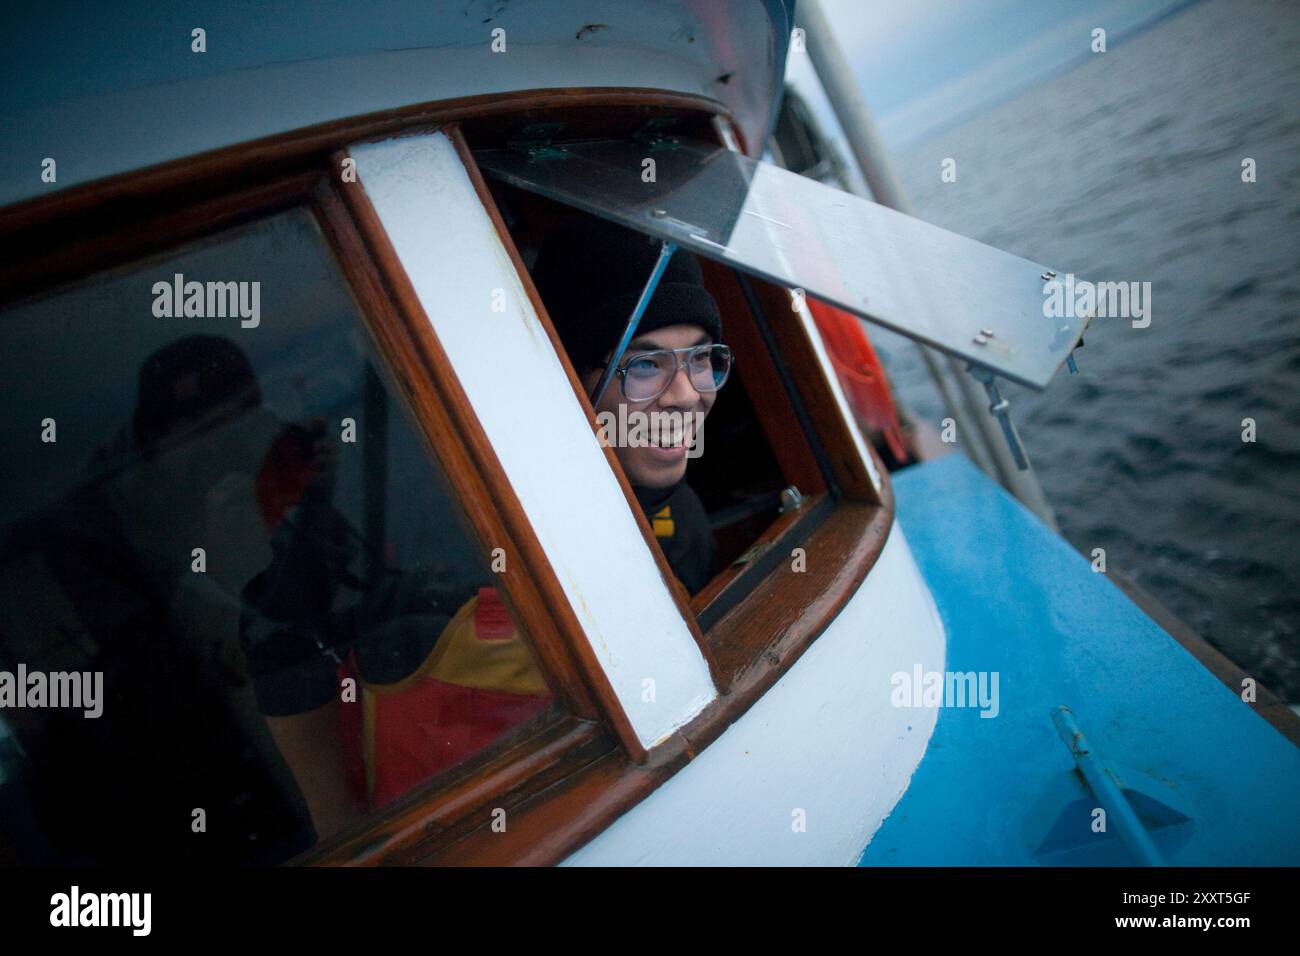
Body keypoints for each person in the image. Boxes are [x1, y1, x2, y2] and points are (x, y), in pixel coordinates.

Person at [531, 218, 732, 596]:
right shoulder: (530, 546)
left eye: (701, 357)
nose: (686, 396)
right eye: (645, 365)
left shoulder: (681, 515)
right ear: (571, 381)